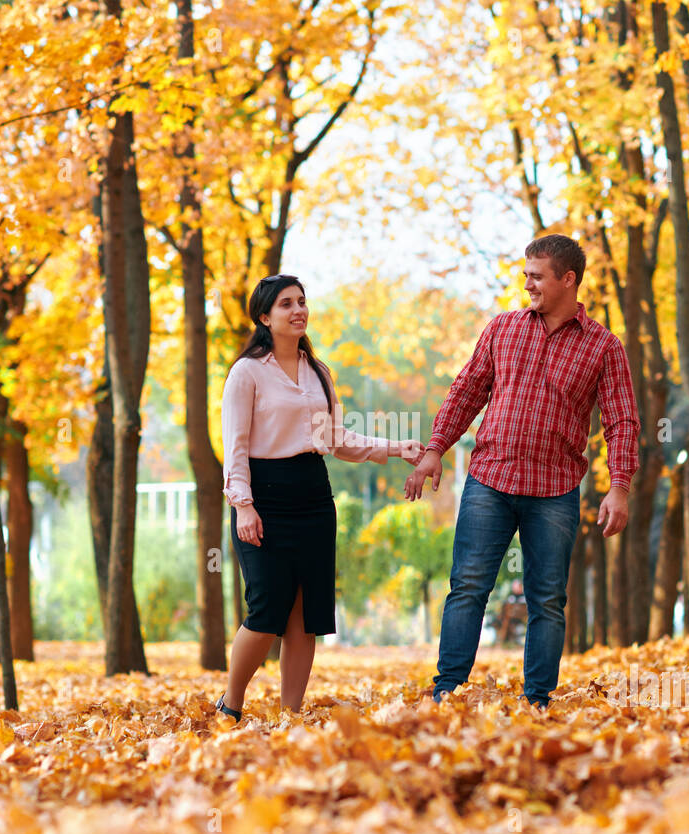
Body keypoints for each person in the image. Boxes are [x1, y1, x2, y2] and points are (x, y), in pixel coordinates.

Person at [405, 235, 640, 708]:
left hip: (555, 490)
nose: (527, 283)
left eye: (537, 275)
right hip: (489, 480)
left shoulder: (603, 347)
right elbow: (466, 391)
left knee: (548, 599)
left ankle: (538, 701)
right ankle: (446, 692)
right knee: (468, 587)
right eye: (526, 273)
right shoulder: (503, 329)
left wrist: (619, 486)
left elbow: (622, 419)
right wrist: (435, 448)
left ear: (567, 280)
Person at [217, 274, 425, 720]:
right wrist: (243, 505)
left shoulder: (318, 374)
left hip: (313, 496)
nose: (298, 311)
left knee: (304, 616)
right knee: (265, 609)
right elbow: (234, 446)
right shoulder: (247, 372)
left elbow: (336, 439)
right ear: (264, 317)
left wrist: (396, 447)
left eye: (302, 302)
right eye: (286, 304)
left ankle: (290, 715)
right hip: (264, 497)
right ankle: (231, 703)